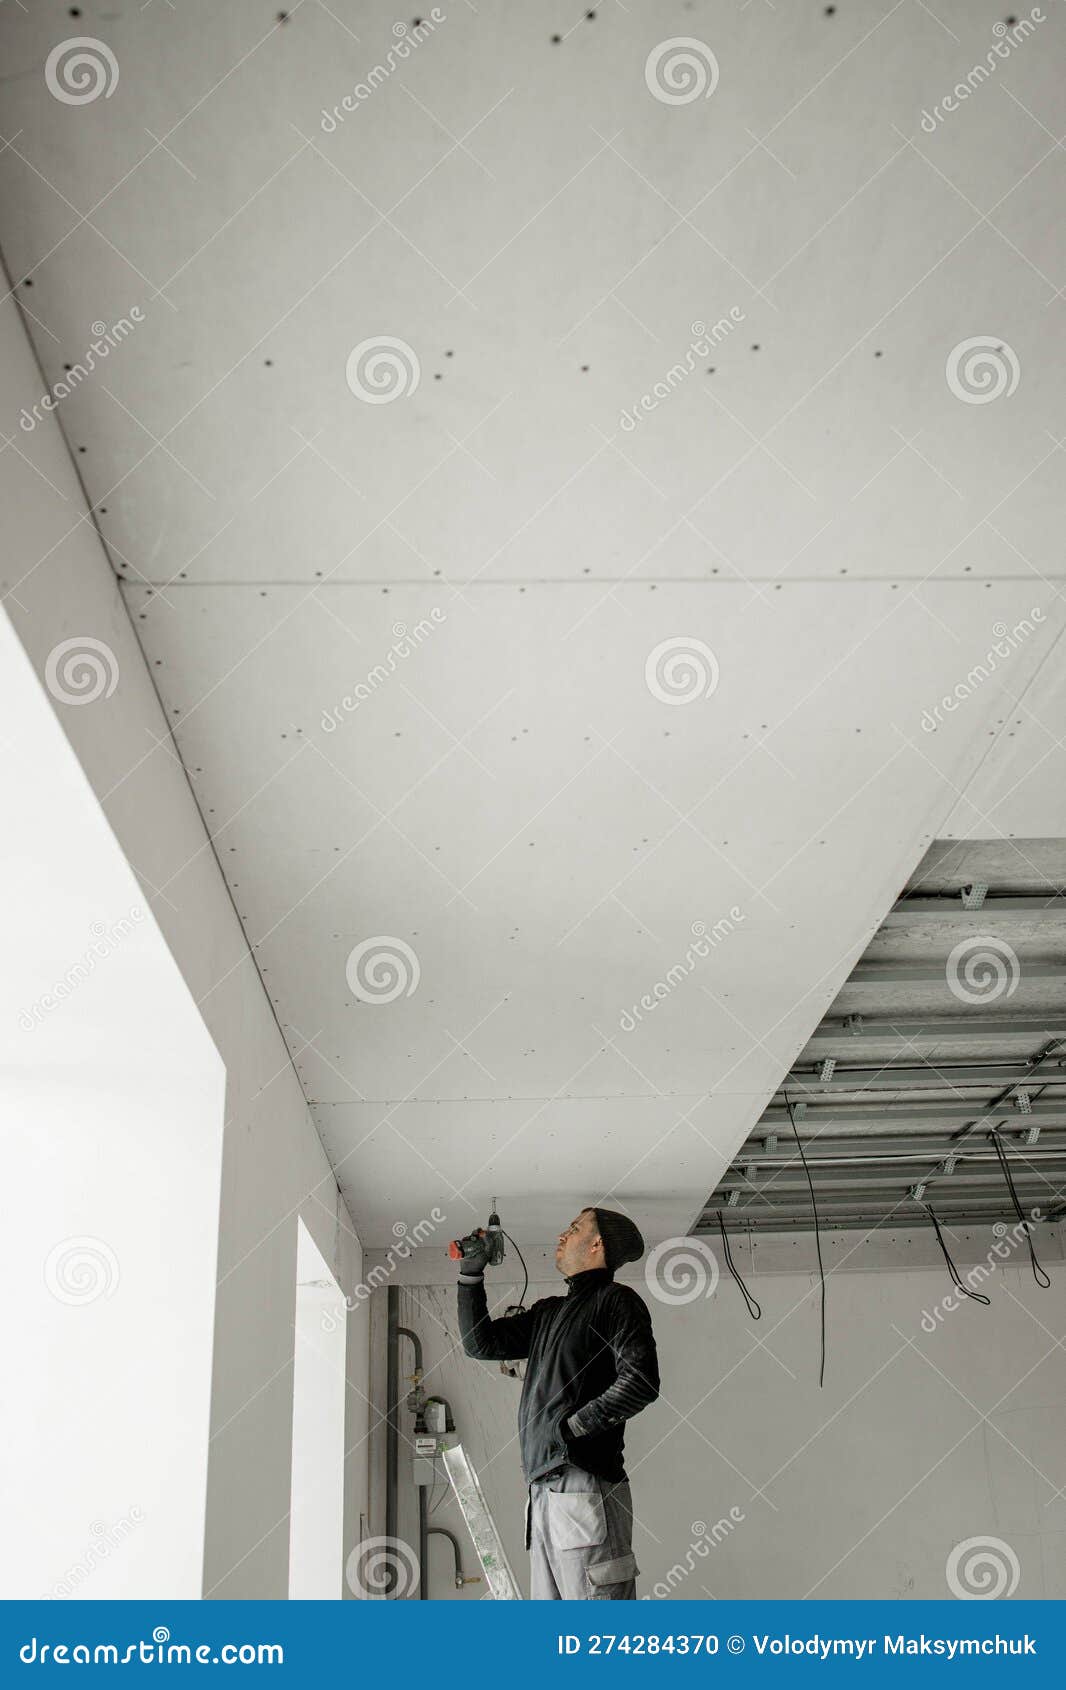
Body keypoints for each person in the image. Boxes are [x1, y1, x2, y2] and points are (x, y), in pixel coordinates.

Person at [457, 1206, 659, 1600]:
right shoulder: (550, 1312)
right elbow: (480, 1344)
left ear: (597, 1244)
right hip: (543, 1494)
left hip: (584, 1484)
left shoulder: (616, 1301)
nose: (561, 1236)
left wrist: (571, 1429)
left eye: (574, 1228)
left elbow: (640, 1382)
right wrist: (470, 1275)